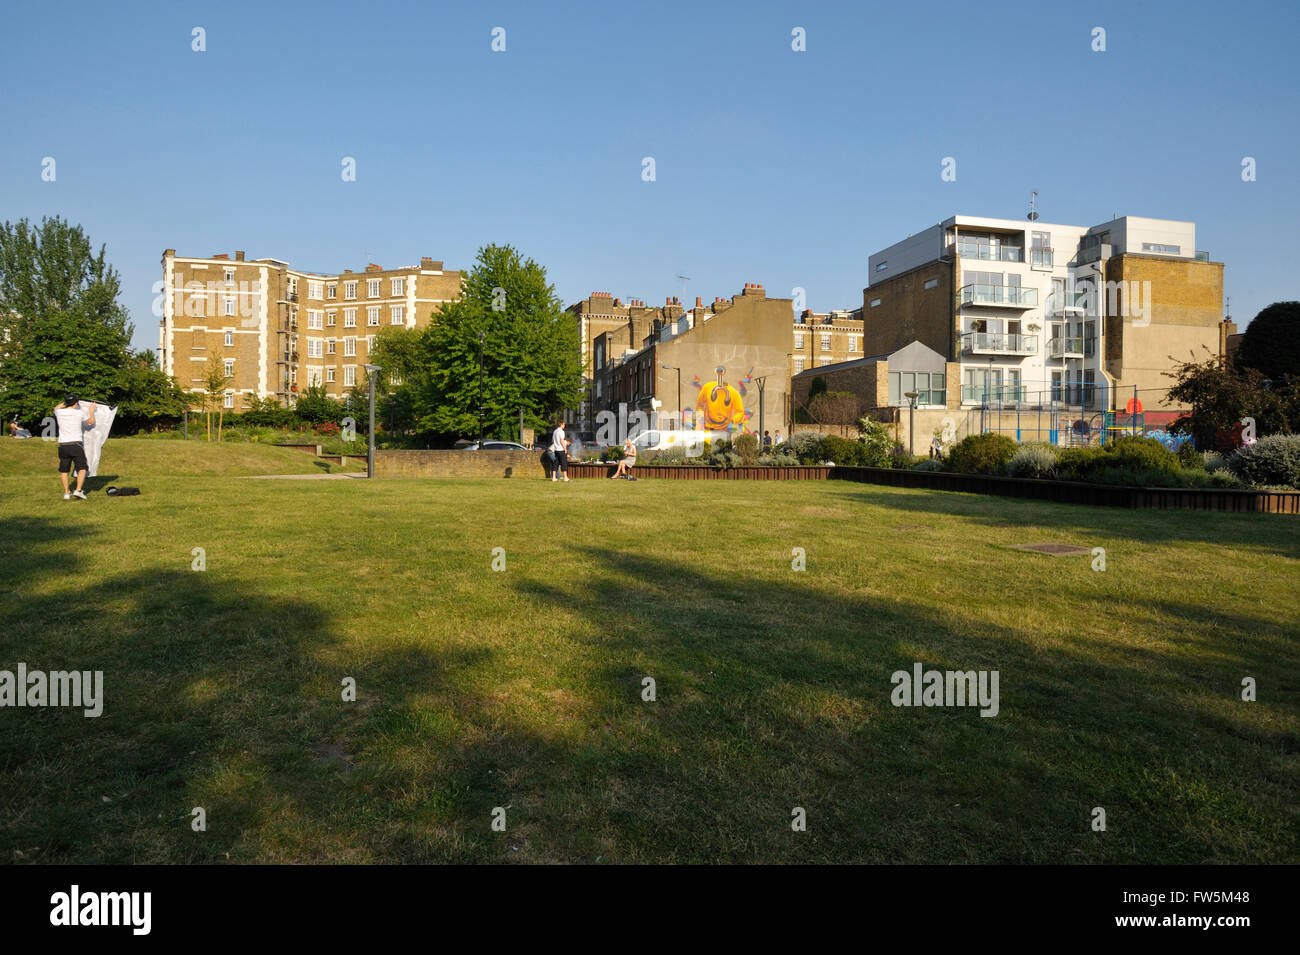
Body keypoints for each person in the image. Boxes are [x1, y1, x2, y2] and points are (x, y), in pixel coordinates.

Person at [53, 395, 95, 500]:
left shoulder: (59, 412)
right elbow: (91, 422)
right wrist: (91, 410)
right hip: (76, 445)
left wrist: (66, 402)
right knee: (82, 468)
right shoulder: (79, 413)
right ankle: (78, 490)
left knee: (64, 471)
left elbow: (56, 408)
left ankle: (67, 493)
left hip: (63, 446)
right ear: (76, 403)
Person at [548, 418, 571, 483]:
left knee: (556, 463)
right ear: (561, 424)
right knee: (564, 463)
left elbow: (552, 440)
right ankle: (565, 478)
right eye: (564, 424)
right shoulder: (561, 431)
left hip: (556, 450)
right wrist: (565, 448)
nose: (564, 425)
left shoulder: (555, 431)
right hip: (561, 450)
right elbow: (561, 440)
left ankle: (554, 478)